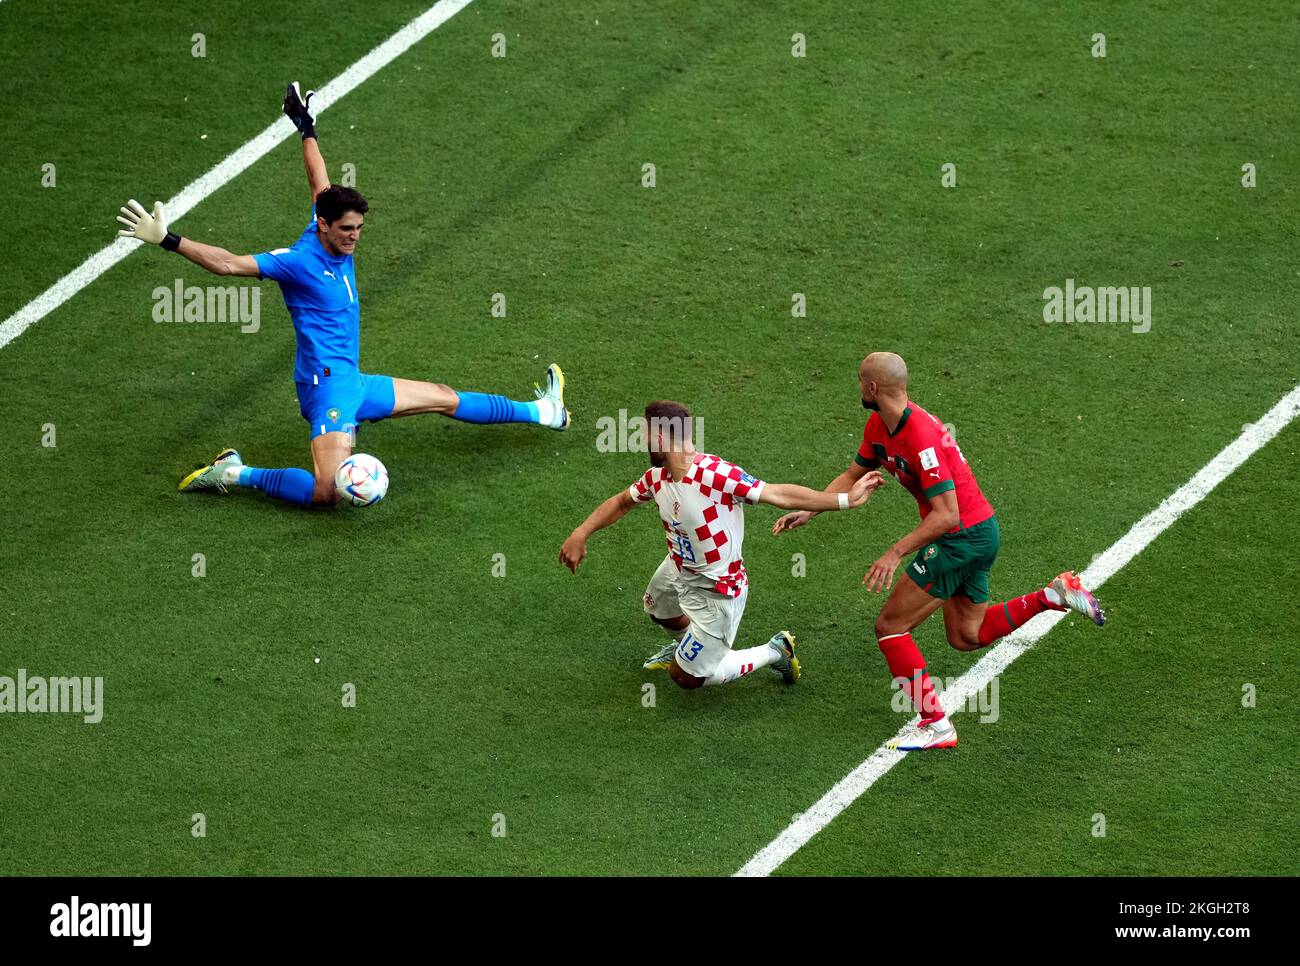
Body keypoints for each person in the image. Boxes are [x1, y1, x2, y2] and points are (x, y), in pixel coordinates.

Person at [115, 83, 568, 507]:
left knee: (443, 396)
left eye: (359, 229)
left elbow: (320, 181)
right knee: (327, 492)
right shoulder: (297, 261)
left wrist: (305, 127)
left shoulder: (332, 226)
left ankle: (544, 411)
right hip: (325, 387)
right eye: (347, 229)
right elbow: (228, 262)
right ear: (323, 225)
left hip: (351, 379)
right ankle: (234, 472)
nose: (355, 237)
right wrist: (169, 239)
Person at [773, 352, 1104, 749]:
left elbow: (946, 516)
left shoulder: (921, 438)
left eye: (861, 381)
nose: (858, 388)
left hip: (961, 538)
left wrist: (894, 553)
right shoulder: (880, 424)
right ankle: (1053, 595)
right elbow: (852, 475)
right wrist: (811, 510)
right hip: (980, 533)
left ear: (873, 387)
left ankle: (936, 726)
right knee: (968, 634)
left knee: (890, 627)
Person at [560, 400, 884, 689]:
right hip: (678, 567)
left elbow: (777, 494)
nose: (643, 441)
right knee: (659, 609)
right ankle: (689, 647)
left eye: (646, 434)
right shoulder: (657, 477)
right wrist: (581, 533)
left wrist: (845, 500)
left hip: (719, 590)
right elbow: (621, 502)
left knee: (686, 678)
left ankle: (775, 650)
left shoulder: (715, 475)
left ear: (661, 437)